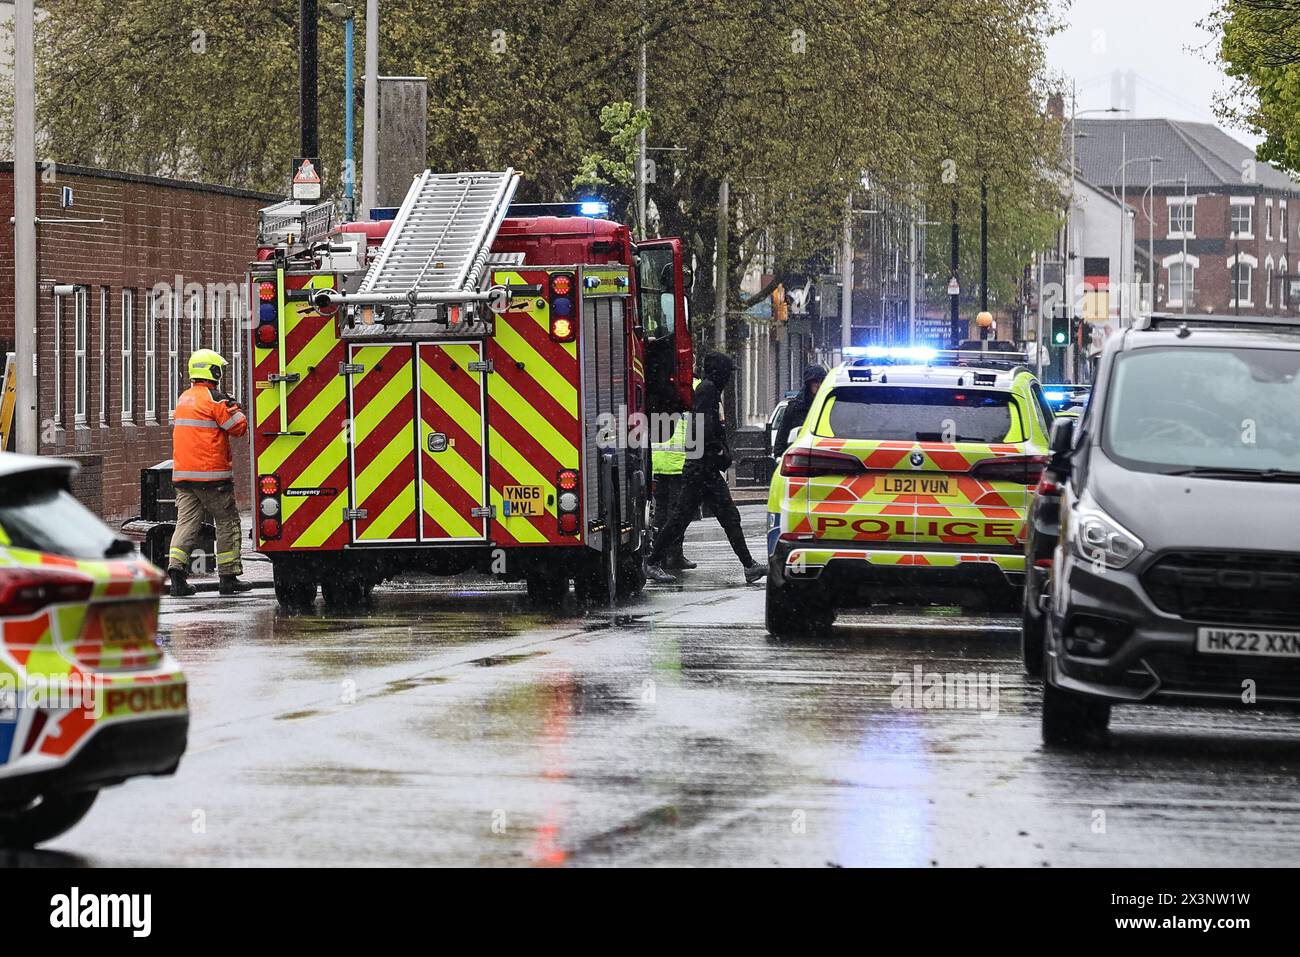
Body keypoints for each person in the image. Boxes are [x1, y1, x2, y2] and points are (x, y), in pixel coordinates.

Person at [645, 352, 766, 585]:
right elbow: (703, 429)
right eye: (728, 373)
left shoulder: (709, 390)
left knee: (726, 516)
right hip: (702, 469)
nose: (729, 378)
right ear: (719, 372)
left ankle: (749, 565)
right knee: (682, 518)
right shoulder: (707, 391)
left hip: (704, 468)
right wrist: (720, 453)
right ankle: (652, 561)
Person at [166, 349, 252, 597]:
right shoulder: (215, 399)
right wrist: (234, 406)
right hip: (212, 478)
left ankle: (176, 576)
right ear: (213, 371)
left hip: (183, 477)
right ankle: (228, 576)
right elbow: (238, 428)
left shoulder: (184, 398)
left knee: (185, 524)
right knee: (227, 522)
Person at [650, 379, 700, 570]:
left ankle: (658, 554)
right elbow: (699, 425)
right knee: (679, 512)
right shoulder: (693, 386)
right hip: (679, 461)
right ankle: (674, 555)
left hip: (658, 458)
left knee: (661, 511)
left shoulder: (658, 383)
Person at [773, 364, 827, 455]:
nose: (819, 385)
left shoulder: (829, 406)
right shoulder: (795, 408)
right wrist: (779, 455)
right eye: (815, 382)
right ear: (809, 384)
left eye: (822, 381)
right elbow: (782, 435)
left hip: (824, 455)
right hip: (800, 455)